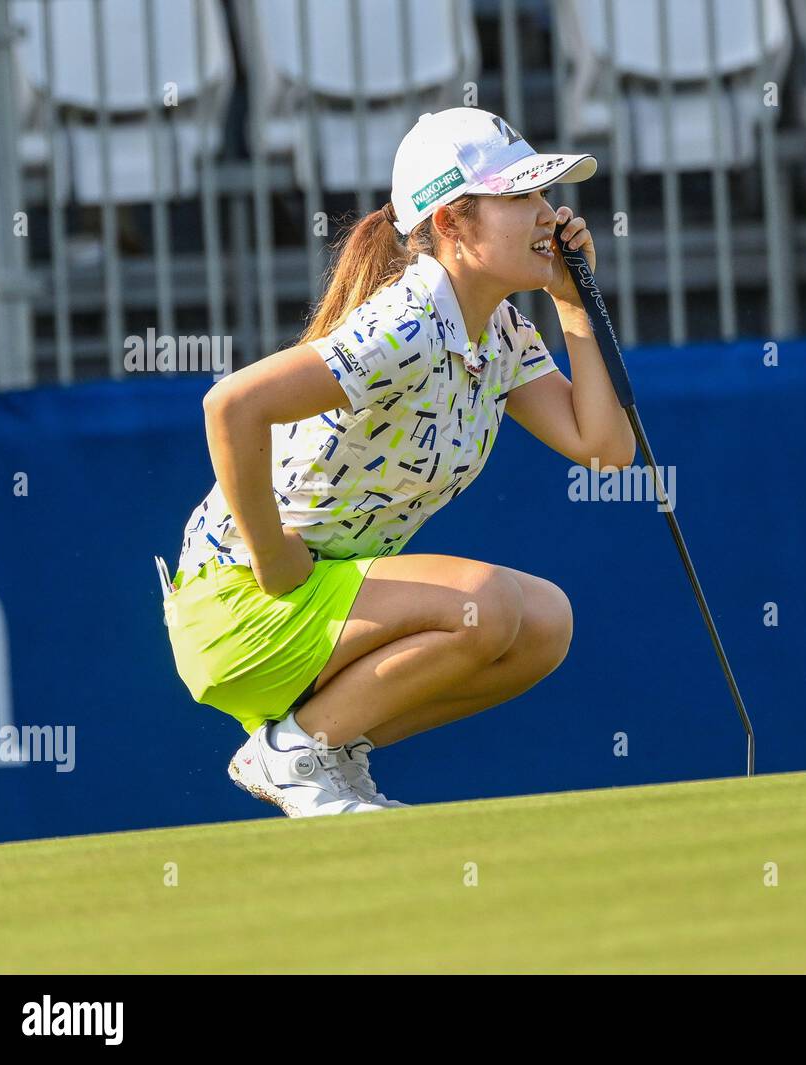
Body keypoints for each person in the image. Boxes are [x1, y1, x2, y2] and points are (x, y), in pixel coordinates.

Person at [153, 108, 634, 817]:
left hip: (325, 608)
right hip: (240, 607)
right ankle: (294, 753)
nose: (547, 215)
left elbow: (604, 449)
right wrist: (270, 555)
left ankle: (324, 746)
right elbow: (230, 406)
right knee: (488, 605)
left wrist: (574, 304)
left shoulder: (500, 330)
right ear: (450, 223)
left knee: (544, 625)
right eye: (519, 197)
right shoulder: (408, 320)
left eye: (542, 194)